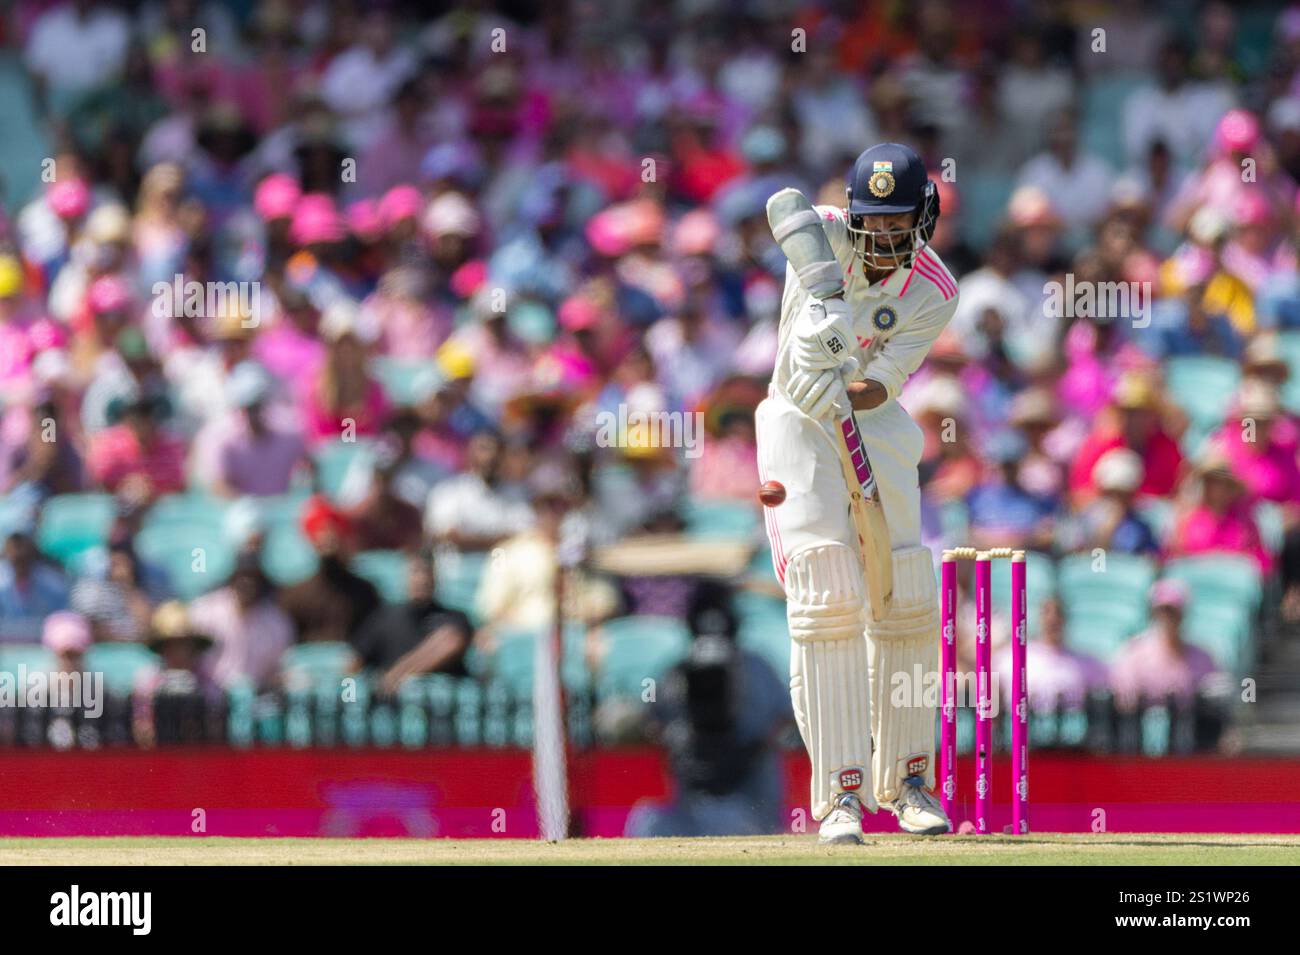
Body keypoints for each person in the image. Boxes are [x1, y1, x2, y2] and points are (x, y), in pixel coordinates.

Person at [755, 143, 956, 843]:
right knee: (827, 590)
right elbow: (783, 203)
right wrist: (825, 311)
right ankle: (841, 795)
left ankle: (907, 781)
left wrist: (841, 369)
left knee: (905, 589)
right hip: (794, 417)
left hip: (870, 418)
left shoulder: (934, 289)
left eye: (898, 223)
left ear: (923, 219)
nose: (883, 239)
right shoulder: (830, 231)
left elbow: (878, 386)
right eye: (873, 223)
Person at [624, 580, 789, 837]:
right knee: (648, 821)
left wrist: (745, 752)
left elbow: (783, 719)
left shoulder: (758, 667)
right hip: (693, 801)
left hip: (752, 794)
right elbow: (651, 721)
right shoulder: (675, 672)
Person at [350, 550, 474, 695]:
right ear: (404, 576)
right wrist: (350, 698)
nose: (422, 579)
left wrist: (396, 676)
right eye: (416, 572)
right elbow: (354, 664)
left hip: (439, 708)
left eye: (427, 572)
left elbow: (452, 642)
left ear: (436, 577)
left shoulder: (454, 618)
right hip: (392, 710)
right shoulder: (383, 618)